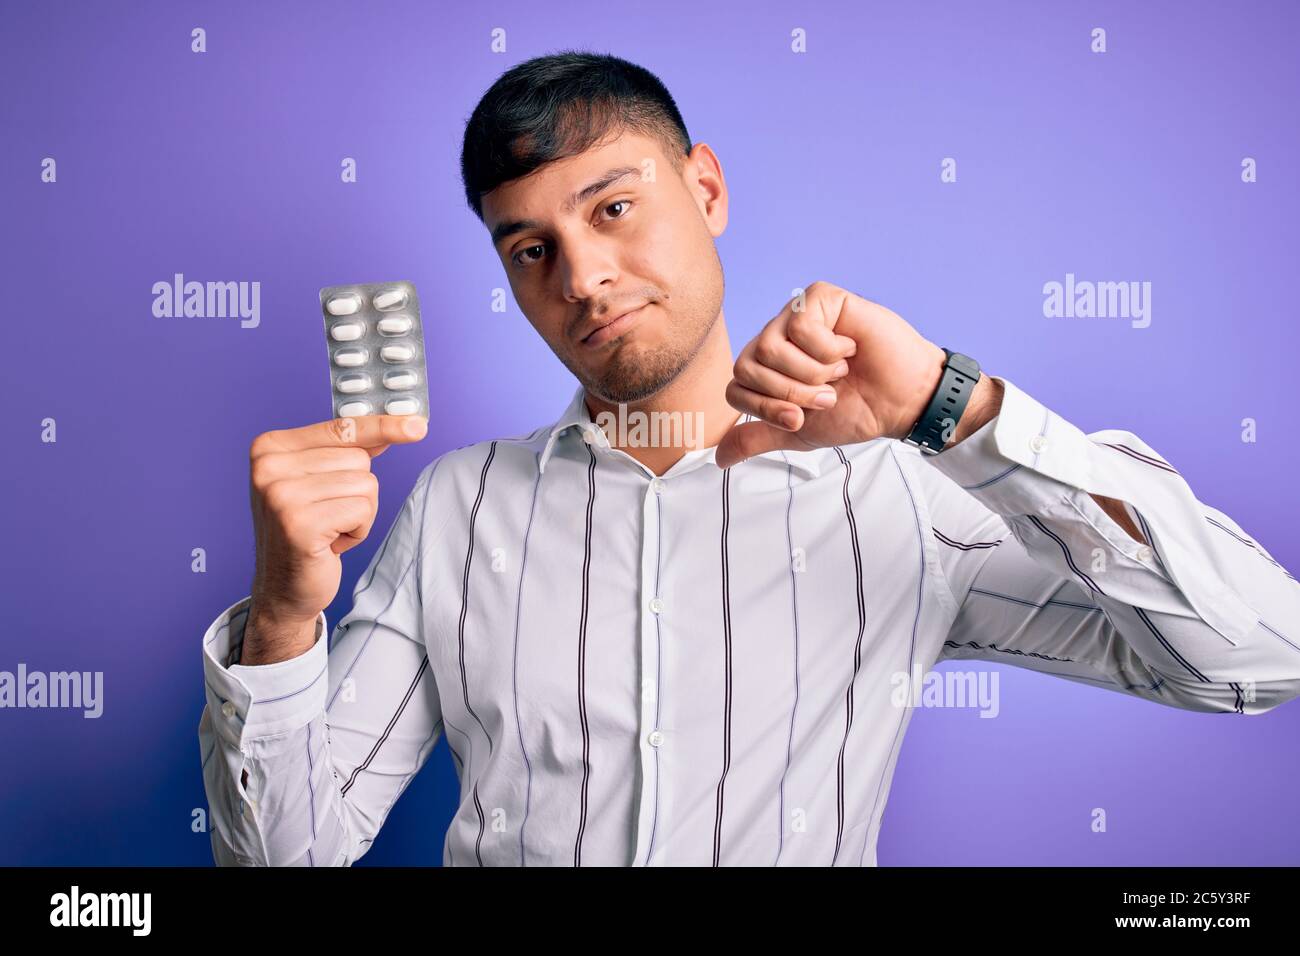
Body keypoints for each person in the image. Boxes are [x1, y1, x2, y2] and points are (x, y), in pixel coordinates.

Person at [197, 50, 1300, 867]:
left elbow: (1258, 658)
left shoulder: (902, 494)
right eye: (532, 251)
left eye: (614, 208)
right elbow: (284, 855)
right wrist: (285, 616)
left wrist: (950, 412)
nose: (581, 278)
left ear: (707, 192)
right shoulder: (456, 509)